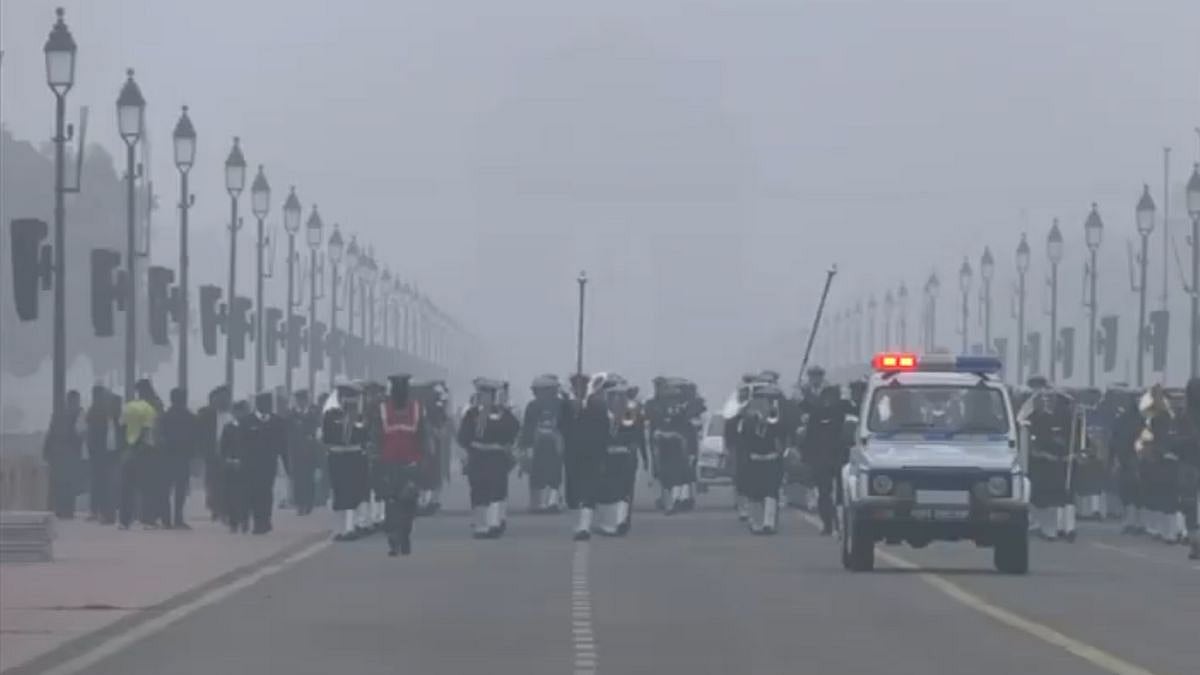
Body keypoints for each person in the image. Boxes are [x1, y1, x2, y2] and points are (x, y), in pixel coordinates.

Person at [457, 378, 520, 539]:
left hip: (497, 457)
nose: (484, 398)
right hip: (478, 456)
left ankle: (494, 523)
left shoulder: (504, 414)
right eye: (482, 394)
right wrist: (467, 451)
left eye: (488, 395)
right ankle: (481, 525)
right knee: (479, 490)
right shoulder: (472, 414)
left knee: (497, 489)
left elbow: (513, 432)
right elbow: (463, 436)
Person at [373, 374, 426, 556]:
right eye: (397, 390)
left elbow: (422, 437)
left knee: (408, 504)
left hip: (410, 464)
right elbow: (376, 437)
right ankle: (394, 538)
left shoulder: (417, 409)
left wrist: (421, 461)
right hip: (389, 464)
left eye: (403, 389)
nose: (400, 394)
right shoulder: (382, 410)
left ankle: (404, 535)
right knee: (391, 503)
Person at [732, 384, 787, 534]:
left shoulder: (777, 418)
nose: (764, 404)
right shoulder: (748, 419)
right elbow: (743, 439)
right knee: (755, 494)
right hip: (754, 460)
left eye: (768, 401)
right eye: (761, 400)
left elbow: (781, 438)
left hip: (771, 459)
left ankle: (769, 523)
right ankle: (755, 522)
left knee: (771, 492)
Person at [1025, 390, 1076, 541]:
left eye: (1047, 400)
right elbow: (1030, 444)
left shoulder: (1052, 420)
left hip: (1051, 464)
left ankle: (1052, 530)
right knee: (1036, 498)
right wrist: (1038, 453)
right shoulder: (1028, 420)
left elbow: (1056, 441)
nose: (1044, 403)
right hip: (1035, 463)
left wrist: (1059, 454)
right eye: (1041, 400)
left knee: (1052, 498)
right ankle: (1038, 525)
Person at [563, 373, 610, 540]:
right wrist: (573, 413)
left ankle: (585, 527)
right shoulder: (565, 406)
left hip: (592, 454)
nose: (579, 390)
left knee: (589, 491)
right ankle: (577, 524)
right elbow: (561, 427)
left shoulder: (597, 406)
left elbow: (604, 430)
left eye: (582, 387)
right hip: (572, 454)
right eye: (576, 388)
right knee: (573, 493)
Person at [597, 379, 645, 536]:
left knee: (624, 491)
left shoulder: (629, 412)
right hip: (604, 459)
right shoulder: (598, 413)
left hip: (625, 458)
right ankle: (608, 523)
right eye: (612, 395)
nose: (616, 399)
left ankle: (622, 521)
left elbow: (634, 433)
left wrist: (635, 450)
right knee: (605, 491)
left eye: (620, 395)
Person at [323, 385, 370, 541]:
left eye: (351, 397)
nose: (348, 401)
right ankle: (339, 529)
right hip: (336, 457)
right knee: (338, 492)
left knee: (352, 493)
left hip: (354, 457)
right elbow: (326, 438)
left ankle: (350, 528)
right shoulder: (330, 415)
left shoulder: (360, 417)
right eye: (345, 397)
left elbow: (364, 437)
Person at [804, 385, 850, 535]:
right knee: (829, 494)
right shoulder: (841, 411)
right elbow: (809, 438)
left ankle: (835, 524)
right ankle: (831, 524)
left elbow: (808, 439)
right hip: (830, 459)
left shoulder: (842, 411)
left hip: (835, 459)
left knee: (836, 495)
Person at [521, 374, 567, 514]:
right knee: (541, 472)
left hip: (553, 443)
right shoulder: (535, 405)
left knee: (551, 473)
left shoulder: (560, 405)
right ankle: (542, 502)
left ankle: (547, 501)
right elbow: (528, 427)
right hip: (542, 443)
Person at [119, 381, 161, 529]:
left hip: (134, 450)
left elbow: (123, 427)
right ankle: (147, 518)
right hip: (146, 451)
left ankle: (126, 519)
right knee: (147, 487)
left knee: (129, 486)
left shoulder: (133, 407)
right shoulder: (155, 405)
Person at [245, 392, 289, 534]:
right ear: (258, 404)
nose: (267, 406)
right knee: (253, 493)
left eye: (269, 404)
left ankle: (264, 521)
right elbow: (241, 444)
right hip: (251, 464)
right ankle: (258, 520)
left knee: (265, 492)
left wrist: (288, 466)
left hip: (268, 464)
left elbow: (283, 445)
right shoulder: (248, 421)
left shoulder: (277, 422)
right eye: (264, 403)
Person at [159, 388, 198, 529]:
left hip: (167, 458)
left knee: (165, 490)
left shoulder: (164, 417)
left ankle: (166, 519)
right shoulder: (190, 417)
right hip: (182, 458)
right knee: (180, 490)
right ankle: (178, 518)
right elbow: (194, 440)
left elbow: (160, 438)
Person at [44, 390, 85, 519]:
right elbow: (79, 435)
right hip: (69, 454)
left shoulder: (58, 415)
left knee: (61, 483)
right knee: (68, 483)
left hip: (59, 454)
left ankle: (61, 509)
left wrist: (46, 451)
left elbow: (50, 434)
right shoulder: (77, 415)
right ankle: (67, 510)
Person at [197, 386, 234, 523]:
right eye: (220, 398)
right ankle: (215, 508)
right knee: (213, 483)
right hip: (212, 454)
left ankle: (224, 509)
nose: (223, 401)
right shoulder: (206, 415)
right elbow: (199, 435)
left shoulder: (232, 415)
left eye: (226, 398)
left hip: (228, 454)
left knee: (227, 483)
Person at [85, 387, 119, 524]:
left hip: (99, 453)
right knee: (106, 484)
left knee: (100, 484)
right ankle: (106, 513)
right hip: (105, 454)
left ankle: (101, 512)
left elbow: (87, 432)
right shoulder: (106, 413)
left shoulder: (94, 412)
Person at [220, 400, 253, 533]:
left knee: (245, 495)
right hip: (231, 465)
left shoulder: (251, 427)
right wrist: (228, 460)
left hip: (247, 465)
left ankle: (244, 519)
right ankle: (233, 522)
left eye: (242, 411)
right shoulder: (228, 428)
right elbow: (223, 447)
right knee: (231, 495)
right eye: (237, 411)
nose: (240, 414)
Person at [1175, 378, 1199, 559]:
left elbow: (1176, 440)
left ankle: (1195, 543)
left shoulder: (1183, 415)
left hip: (1189, 463)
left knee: (1189, 505)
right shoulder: (1184, 415)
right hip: (1190, 462)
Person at [287, 390, 319, 516]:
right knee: (298, 479)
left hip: (310, 451)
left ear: (306, 400)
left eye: (303, 399)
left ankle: (308, 503)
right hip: (296, 451)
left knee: (309, 479)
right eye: (299, 400)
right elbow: (288, 433)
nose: (301, 402)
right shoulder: (291, 415)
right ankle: (300, 504)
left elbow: (316, 431)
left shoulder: (312, 414)